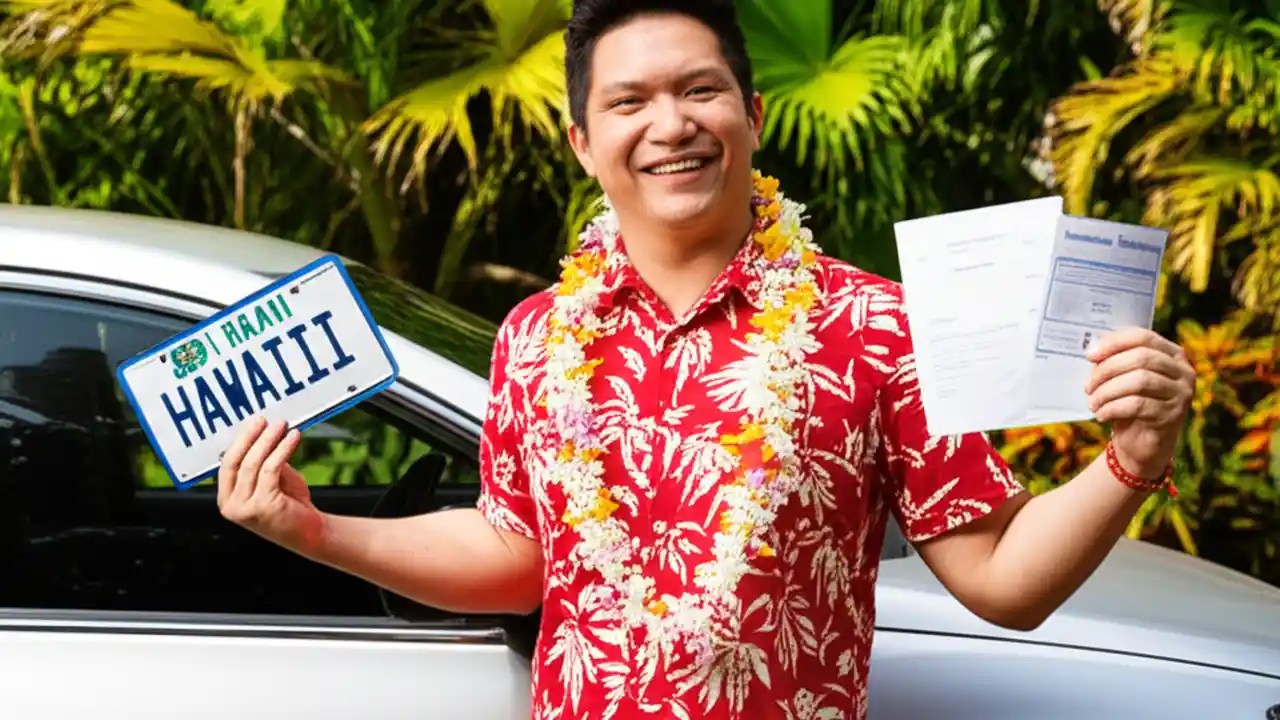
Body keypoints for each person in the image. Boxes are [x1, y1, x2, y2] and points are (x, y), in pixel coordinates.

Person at [215, 1, 1196, 717]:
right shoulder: (533, 339)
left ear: (751, 115)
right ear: (582, 141)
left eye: (698, 89)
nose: (670, 124)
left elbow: (1000, 579)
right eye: (629, 101)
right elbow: (516, 558)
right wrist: (315, 530)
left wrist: (1132, 459)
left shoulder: (876, 326)